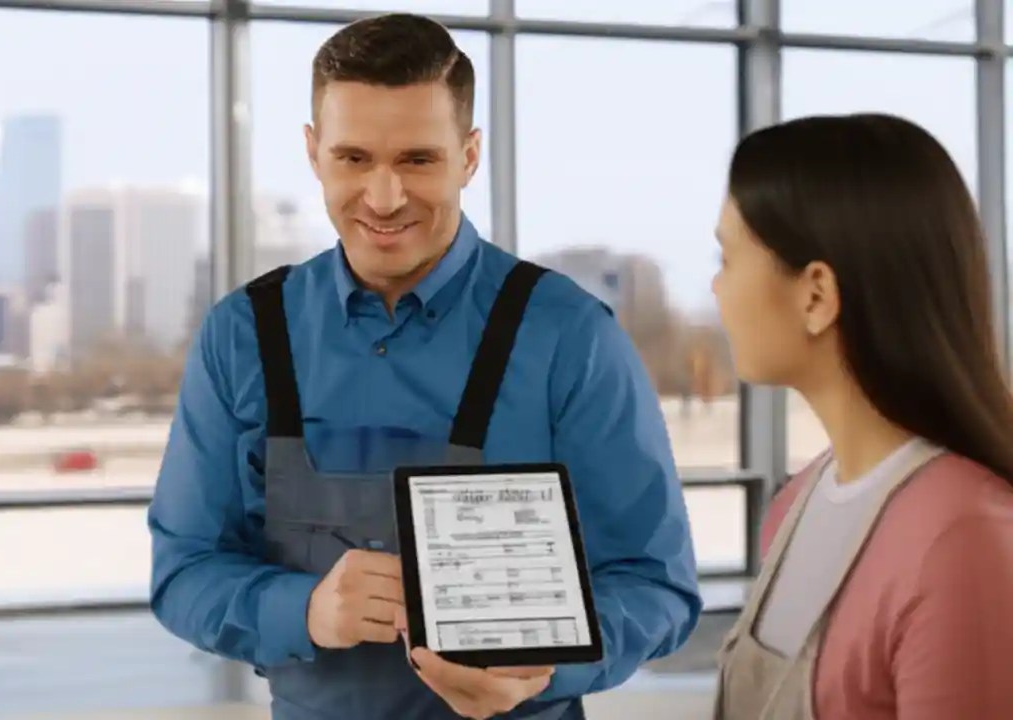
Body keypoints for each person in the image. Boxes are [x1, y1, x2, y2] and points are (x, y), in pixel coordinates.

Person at [148, 13, 701, 720]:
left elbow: (657, 585)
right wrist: (305, 610)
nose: (383, 199)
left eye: (417, 160)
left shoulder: (570, 336)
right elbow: (183, 572)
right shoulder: (242, 335)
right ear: (314, 153)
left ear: (469, 156)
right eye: (353, 159)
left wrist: (547, 669)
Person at [711, 113, 1013, 719]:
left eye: (727, 258)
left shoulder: (965, 540)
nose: (717, 289)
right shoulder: (796, 504)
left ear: (816, 295)